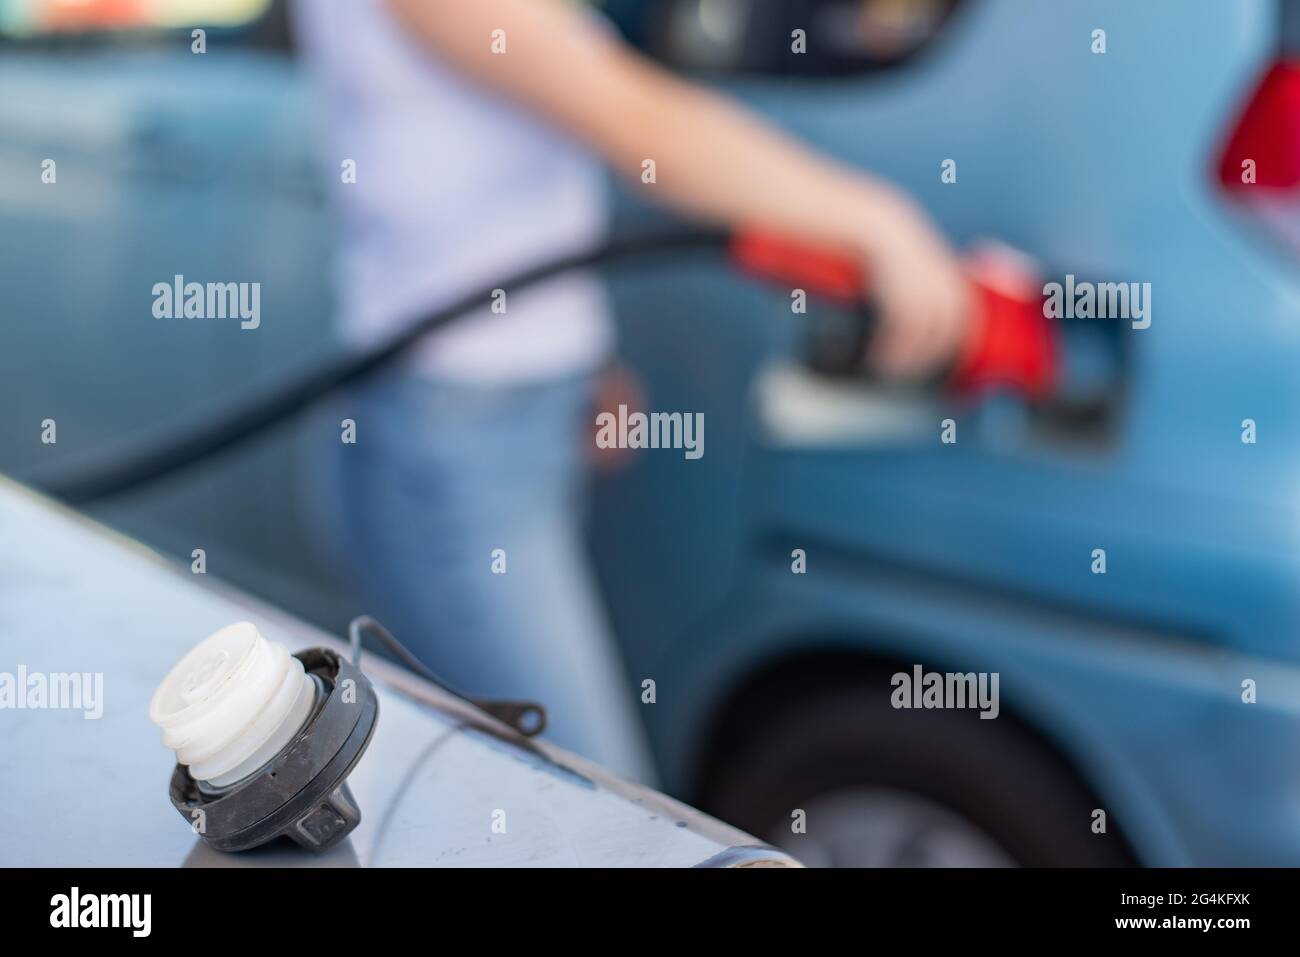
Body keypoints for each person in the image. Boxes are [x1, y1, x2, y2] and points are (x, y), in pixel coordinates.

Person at [292, 0, 970, 783]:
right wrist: (874, 218)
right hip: (449, 444)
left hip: (490, 414)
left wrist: (582, 357)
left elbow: (507, 175)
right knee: (605, 818)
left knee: (482, 793)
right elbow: (632, 118)